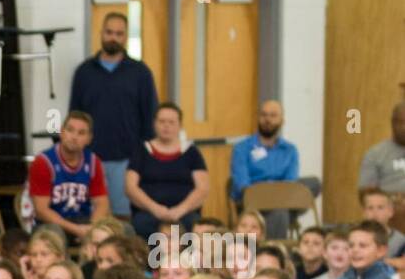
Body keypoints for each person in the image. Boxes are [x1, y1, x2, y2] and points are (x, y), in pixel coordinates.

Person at [68, 12, 159, 219]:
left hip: (127, 160)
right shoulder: (84, 72)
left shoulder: (140, 73)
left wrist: (144, 160)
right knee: (89, 217)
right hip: (88, 159)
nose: (113, 38)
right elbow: (74, 117)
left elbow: (150, 119)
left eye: (119, 33)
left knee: (123, 217)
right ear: (101, 33)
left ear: (126, 37)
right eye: (109, 32)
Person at [229, 100, 314, 239]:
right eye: (264, 115)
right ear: (258, 118)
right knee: (280, 211)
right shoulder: (242, 148)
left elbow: (290, 183)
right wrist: (269, 193)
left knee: (313, 183)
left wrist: (277, 194)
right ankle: (274, 250)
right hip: (252, 201)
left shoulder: (290, 149)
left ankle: (282, 207)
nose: (268, 119)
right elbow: (242, 184)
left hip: (282, 196)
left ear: (282, 120)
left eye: (273, 115)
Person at [125, 103, 209, 241]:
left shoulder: (191, 152)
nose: (166, 126)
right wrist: (156, 209)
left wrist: (179, 210)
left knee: (194, 226)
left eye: (171, 122)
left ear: (180, 125)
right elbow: (130, 187)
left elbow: (202, 189)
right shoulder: (141, 151)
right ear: (154, 124)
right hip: (148, 213)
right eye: (162, 121)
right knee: (141, 225)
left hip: (184, 214)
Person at [28, 110, 111, 240]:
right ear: (61, 132)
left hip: (84, 221)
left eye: (81, 133)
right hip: (50, 224)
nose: (74, 137)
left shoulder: (94, 161)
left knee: (121, 230)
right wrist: (76, 230)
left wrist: (92, 228)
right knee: (56, 233)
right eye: (70, 130)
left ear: (89, 139)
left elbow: (102, 202)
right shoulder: (43, 162)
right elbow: (41, 210)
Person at [357, 101, 405, 201]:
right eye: (401, 122)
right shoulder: (375, 154)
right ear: (393, 123)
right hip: (389, 210)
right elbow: (365, 194)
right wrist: (393, 198)